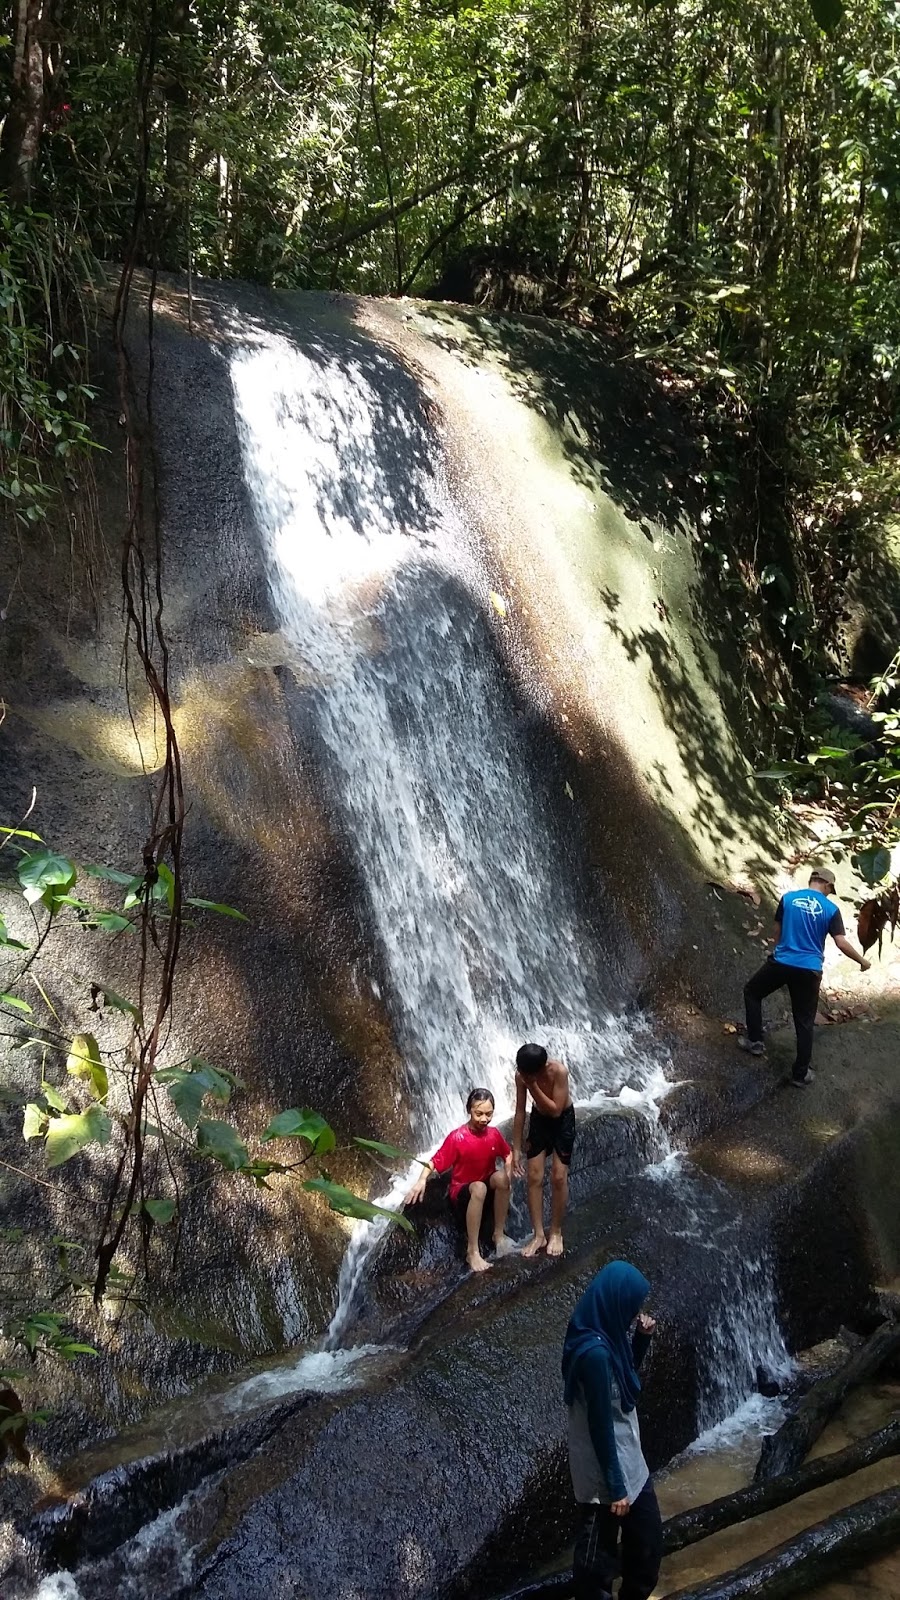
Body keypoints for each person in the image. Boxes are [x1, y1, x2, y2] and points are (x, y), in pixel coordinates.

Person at [562, 1260, 661, 1600]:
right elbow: (599, 1423)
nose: (636, 1314)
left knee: (647, 1546)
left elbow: (621, 1383)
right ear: (615, 1303)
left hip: (631, 1460)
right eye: (633, 1308)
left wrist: (641, 1340)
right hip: (605, 1474)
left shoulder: (608, 1336)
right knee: (594, 1567)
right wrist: (615, 1488)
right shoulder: (593, 1354)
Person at [740, 866, 871, 1085]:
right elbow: (840, 942)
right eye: (831, 889)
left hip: (782, 962)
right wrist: (862, 961)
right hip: (809, 969)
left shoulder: (788, 899)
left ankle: (754, 1041)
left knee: (752, 992)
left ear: (812, 880)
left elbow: (777, 931)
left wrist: (776, 948)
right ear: (827, 885)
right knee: (804, 1021)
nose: (830, 893)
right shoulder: (830, 909)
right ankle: (800, 1075)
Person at [405, 1088, 513, 1272]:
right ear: (469, 1110)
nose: (484, 1119)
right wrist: (421, 1180)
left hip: (485, 1186)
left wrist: (509, 1173)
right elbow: (434, 1161)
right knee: (479, 1188)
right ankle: (472, 1251)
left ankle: (499, 1234)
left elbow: (508, 1154)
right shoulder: (458, 1137)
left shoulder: (493, 1134)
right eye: (478, 1114)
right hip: (463, 1191)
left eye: (488, 1114)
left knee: (502, 1178)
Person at [512, 1042, 575, 1258]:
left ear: (540, 1068)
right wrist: (516, 1148)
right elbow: (520, 1112)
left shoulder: (559, 1071)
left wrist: (533, 1086)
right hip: (539, 1120)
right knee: (534, 1176)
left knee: (558, 1176)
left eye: (525, 1073)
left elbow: (556, 1111)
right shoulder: (521, 1076)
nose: (521, 1075)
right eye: (520, 1071)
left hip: (562, 1120)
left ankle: (556, 1231)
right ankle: (538, 1234)